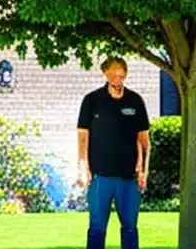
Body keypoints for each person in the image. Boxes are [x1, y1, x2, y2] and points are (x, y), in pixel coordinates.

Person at [77, 57, 150, 249]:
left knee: (130, 228)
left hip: (128, 178)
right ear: (105, 74)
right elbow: (83, 137)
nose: (118, 79)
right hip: (100, 177)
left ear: (125, 74)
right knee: (97, 228)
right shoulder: (92, 100)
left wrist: (144, 170)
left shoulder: (135, 101)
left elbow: (143, 141)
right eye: (113, 75)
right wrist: (83, 167)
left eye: (121, 75)